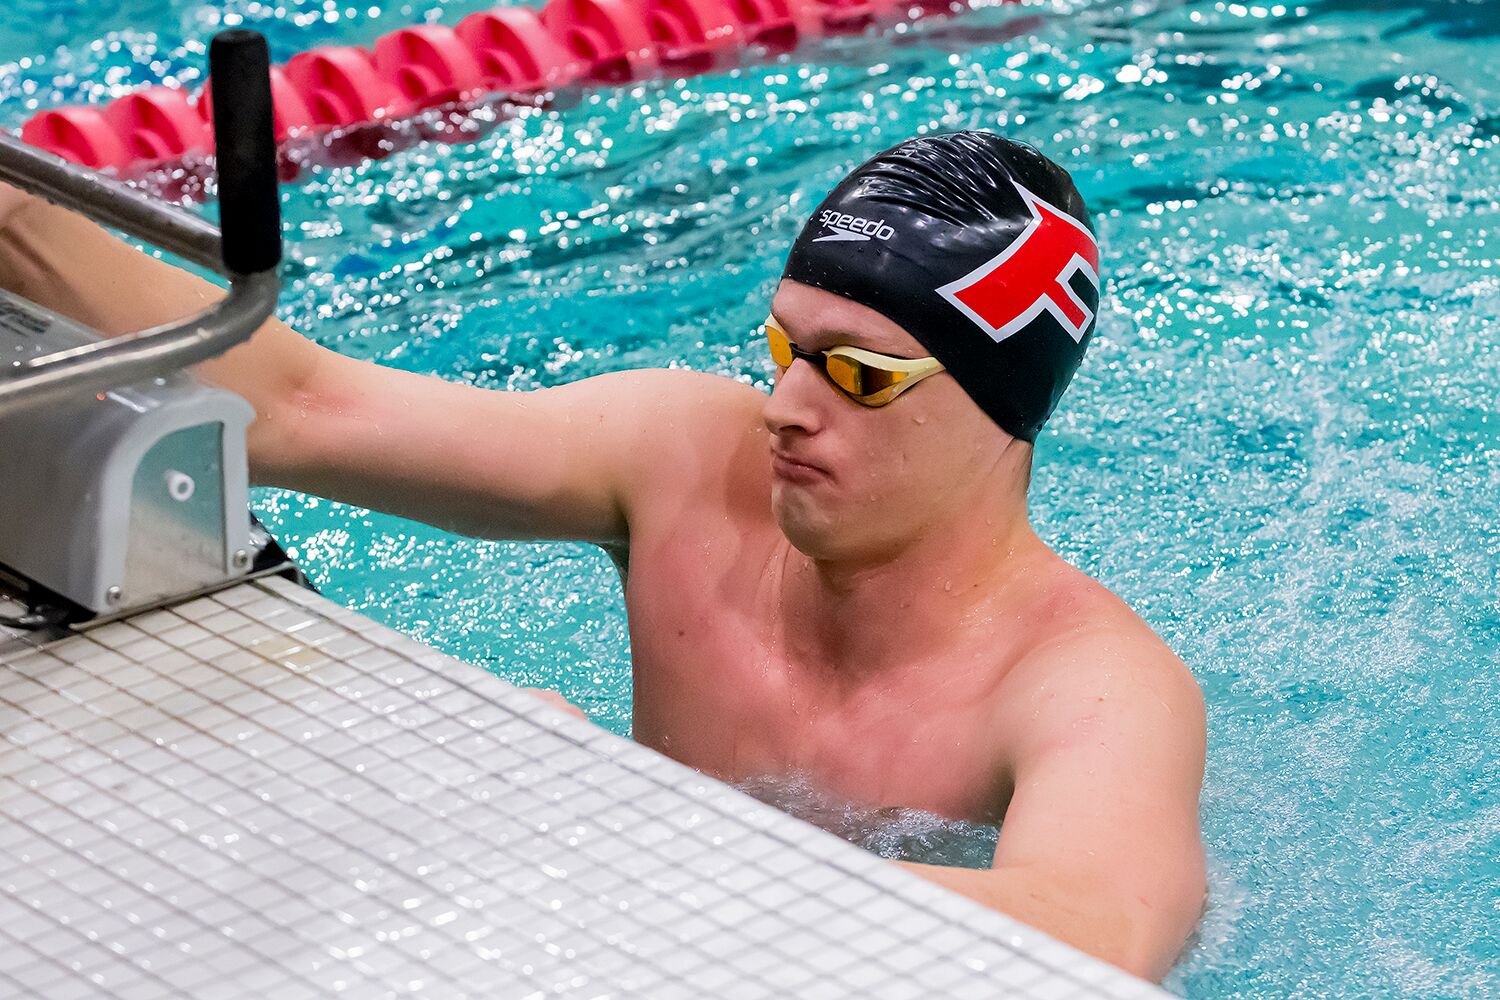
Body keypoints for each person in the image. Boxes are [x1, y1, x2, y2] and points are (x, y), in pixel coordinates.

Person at [0, 130, 1207, 982]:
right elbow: (316, 406)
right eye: (782, 346)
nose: (785, 403)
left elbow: (1088, 933)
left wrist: (621, 825)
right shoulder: (687, 458)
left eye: (857, 372)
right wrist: (13, 218)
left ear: (1004, 407)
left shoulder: (1092, 686)